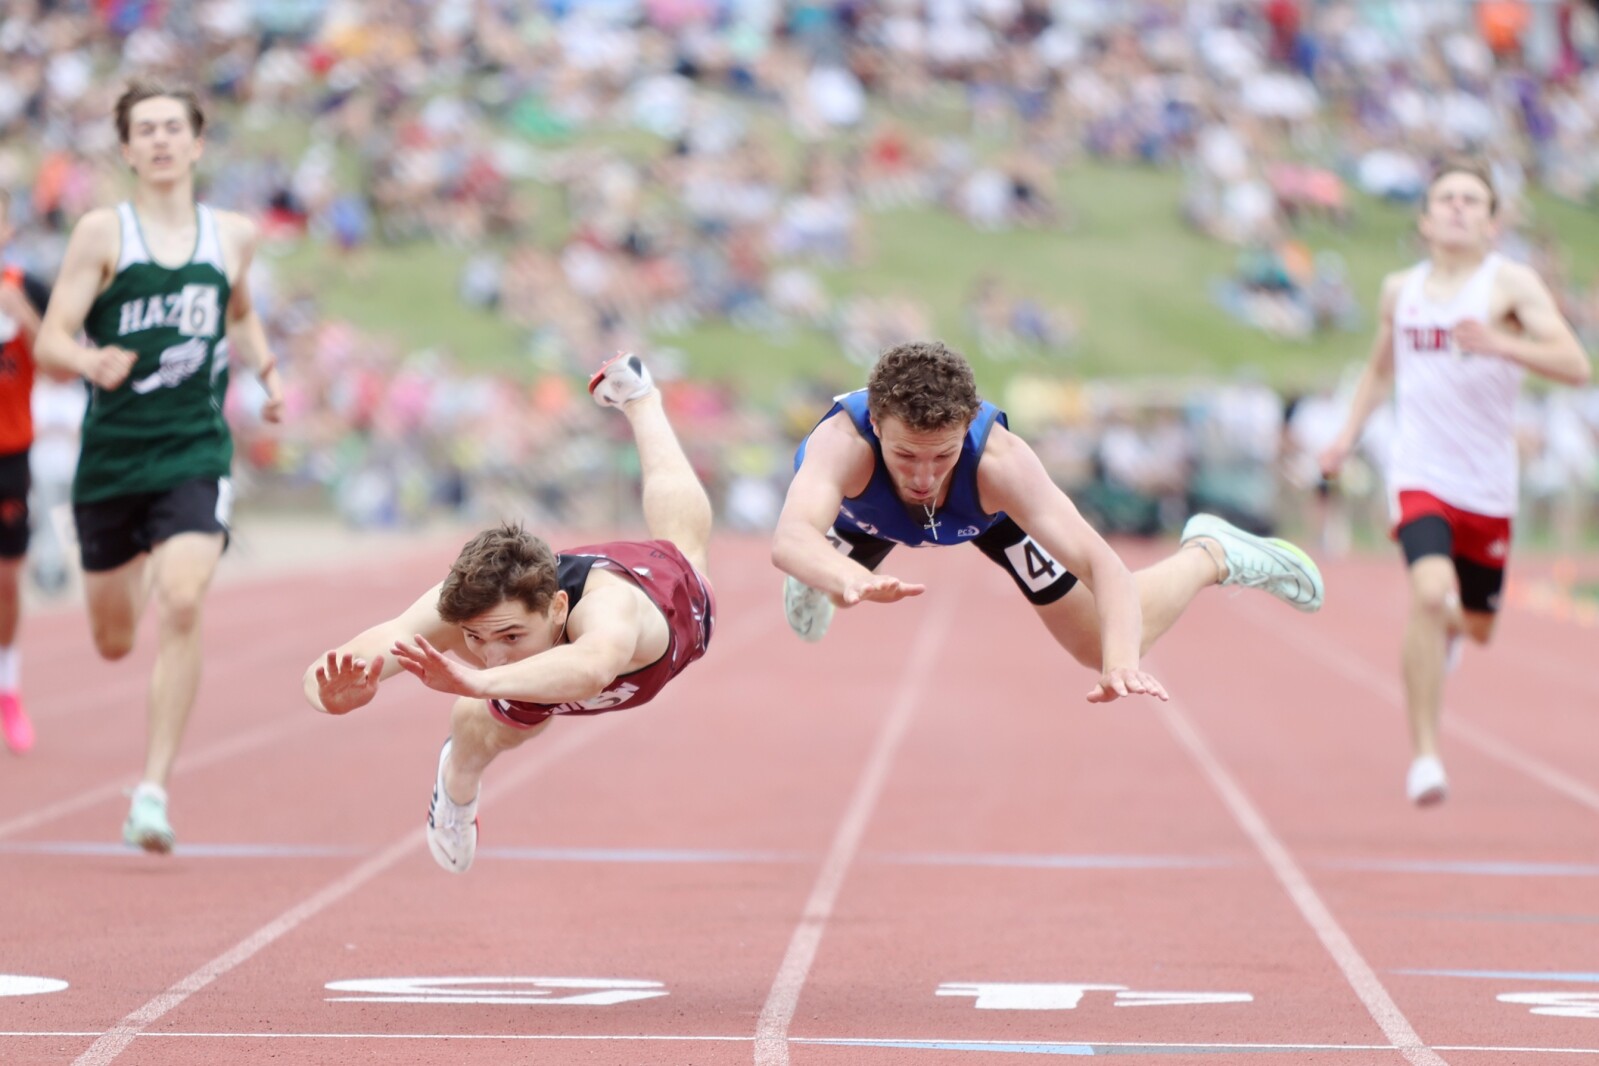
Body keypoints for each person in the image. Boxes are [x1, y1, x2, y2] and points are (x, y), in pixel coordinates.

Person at [302, 354, 715, 875]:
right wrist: (330, 695)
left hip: (669, 605)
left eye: (510, 635)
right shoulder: (470, 608)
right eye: (475, 639)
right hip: (529, 660)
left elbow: (591, 669)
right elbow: (364, 651)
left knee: (686, 546)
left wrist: (476, 680)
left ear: (558, 608)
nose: (491, 651)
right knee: (496, 728)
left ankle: (640, 397)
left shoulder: (609, 606)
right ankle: (456, 786)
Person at [773, 340, 1325, 705]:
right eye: (905, 455)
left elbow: (1102, 565)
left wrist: (1120, 662)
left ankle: (1212, 553)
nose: (922, 475)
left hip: (976, 515)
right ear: (878, 426)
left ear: (966, 429)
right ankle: (822, 577)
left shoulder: (1001, 465)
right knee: (818, 557)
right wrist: (845, 576)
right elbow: (791, 535)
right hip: (864, 513)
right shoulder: (844, 445)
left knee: (1093, 641)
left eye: (941, 456)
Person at [34, 82, 286, 852]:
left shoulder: (232, 236)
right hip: (112, 460)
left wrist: (269, 375)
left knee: (181, 603)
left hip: (193, 451)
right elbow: (49, 340)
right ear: (126, 148)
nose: (161, 140)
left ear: (198, 143)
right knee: (114, 639)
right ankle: (135, 555)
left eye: (174, 127)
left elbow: (238, 311)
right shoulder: (103, 233)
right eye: (145, 129)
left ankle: (151, 792)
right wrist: (86, 356)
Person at [1319, 158, 1591, 807]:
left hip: (1488, 484)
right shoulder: (1398, 291)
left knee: (1473, 625)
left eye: (1472, 200)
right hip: (1420, 473)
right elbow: (1380, 372)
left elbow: (1575, 365)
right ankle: (1424, 757)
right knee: (1427, 590)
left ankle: (1448, 631)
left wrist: (1504, 345)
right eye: (1446, 198)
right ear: (1423, 219)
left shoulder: (1510, 286)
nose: (1458, 208)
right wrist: (1344, 434)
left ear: (1492, 223)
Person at [0, 188, 58, 754]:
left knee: (6, 581)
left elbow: (63, 371)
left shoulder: (28, 289)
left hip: (9, 455)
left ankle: (8, 688)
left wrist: (28, 321)